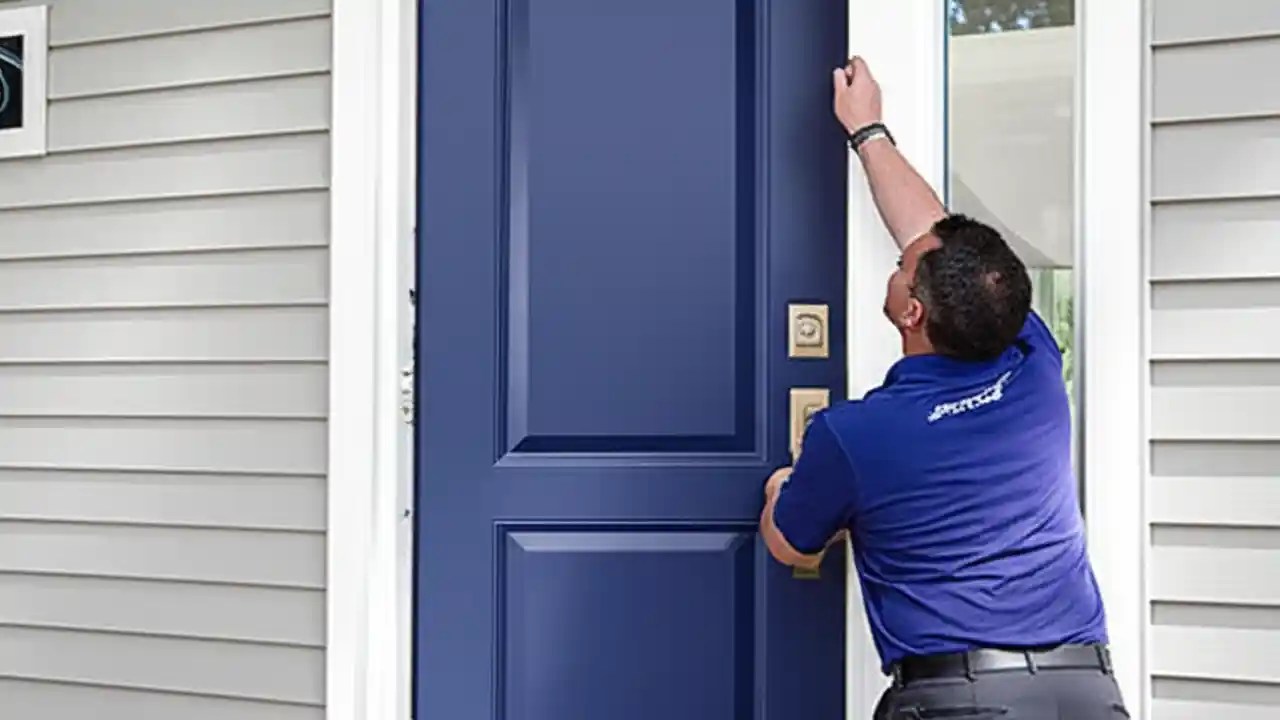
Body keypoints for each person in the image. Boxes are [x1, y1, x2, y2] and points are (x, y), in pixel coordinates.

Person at [758, 57, 1128, 719]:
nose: (902, 261)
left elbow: (791, 542)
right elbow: (932, 237)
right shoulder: (1031, 358)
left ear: (912, 312)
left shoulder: (856, 436)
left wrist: (785, 487)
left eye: (904, 267)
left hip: (962, 701)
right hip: (1084, 694)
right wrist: (867, 128)